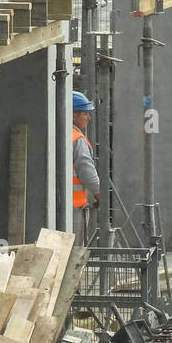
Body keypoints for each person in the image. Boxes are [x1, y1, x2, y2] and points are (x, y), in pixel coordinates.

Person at [72, 92, 101, 238]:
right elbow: (87, 174)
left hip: (56, 209)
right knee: (73, 254)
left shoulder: (55, 133)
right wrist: (99, 194)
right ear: (73, 115)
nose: (88, 118)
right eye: (85, 113)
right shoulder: (77, 140)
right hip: (74, 210)